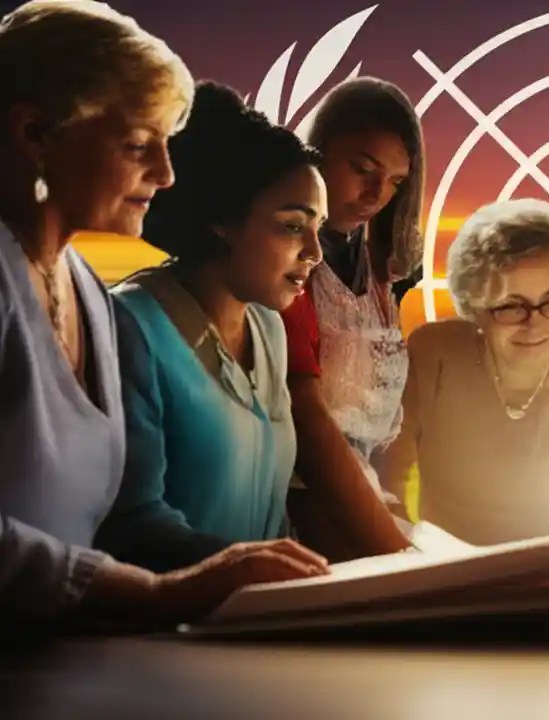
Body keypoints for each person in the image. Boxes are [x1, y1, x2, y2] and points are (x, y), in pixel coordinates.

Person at [0, 0, 325, 626]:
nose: (167, 174)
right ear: (34, 133)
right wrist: (154, 594)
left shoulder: (86, 293)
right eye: (137, 143)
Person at [93, 82, 326, 571]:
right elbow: (129, 522)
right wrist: (242, 568)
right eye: (291, 226)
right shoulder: (130, 327)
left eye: (317, 228)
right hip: (162, 629)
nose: (314, 253)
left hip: (256, 625)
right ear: (223, 220)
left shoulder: (269, 327)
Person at [379, 198, 549, 545]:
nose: (534, 323)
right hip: (443, 575)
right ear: (475, 304)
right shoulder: (432, 354)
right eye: (511, 306)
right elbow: (386, 484)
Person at [280, 77, 426, 560]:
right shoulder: (284, 264)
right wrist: (395, 552)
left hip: (366, 504)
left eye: (396, 182)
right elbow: (306, 420)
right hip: (300, 512)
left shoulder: (389, 271)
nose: (375, 194)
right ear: (317, 151)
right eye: (362, 169)